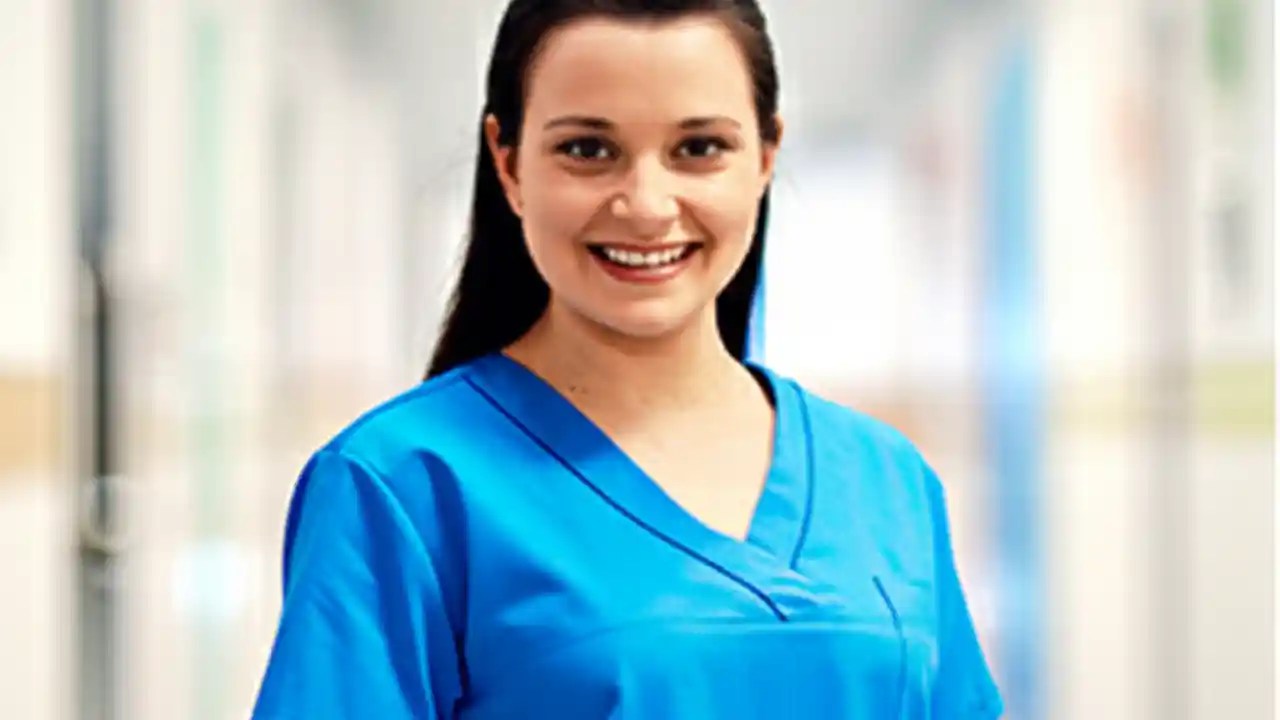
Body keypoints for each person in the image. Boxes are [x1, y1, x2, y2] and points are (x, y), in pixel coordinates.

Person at [252, 1, 1004, 718]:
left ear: (765, 156)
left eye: (698, 149)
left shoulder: (886, 477)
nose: (646, 205)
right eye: (588, 150)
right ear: (508, 164)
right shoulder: (400, 484)